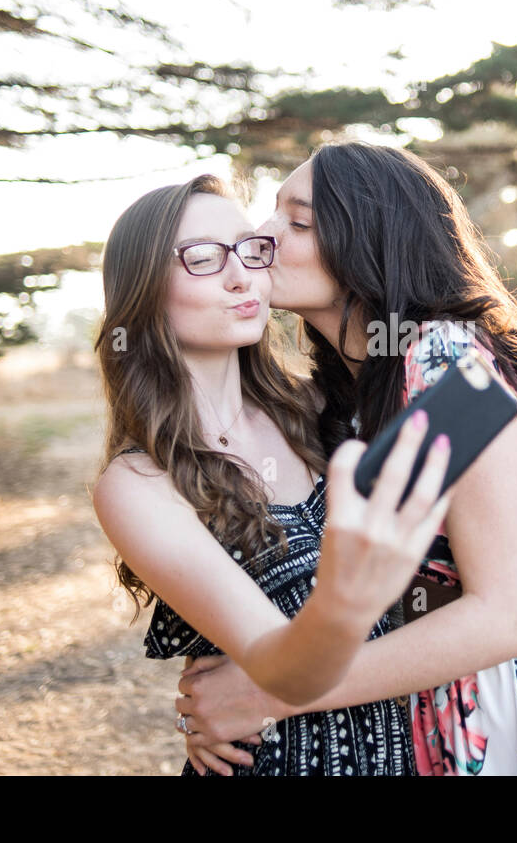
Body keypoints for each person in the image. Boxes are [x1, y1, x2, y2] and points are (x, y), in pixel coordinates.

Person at [176, 143, 517, 775]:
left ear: (374, 240)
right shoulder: (346, 388)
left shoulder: (443, 357)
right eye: (271, 214)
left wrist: (264, 694)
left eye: (299, 220)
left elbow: (504, 618)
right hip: (443, 694)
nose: (263, 235)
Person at [90, 173, 455, 775]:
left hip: (411, 753)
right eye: (203, 259)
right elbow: (280, 664)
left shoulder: (323, 409)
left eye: (250, 250)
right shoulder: (139, 484)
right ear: (144, 290)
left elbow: (417, 598)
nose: (241, 276)